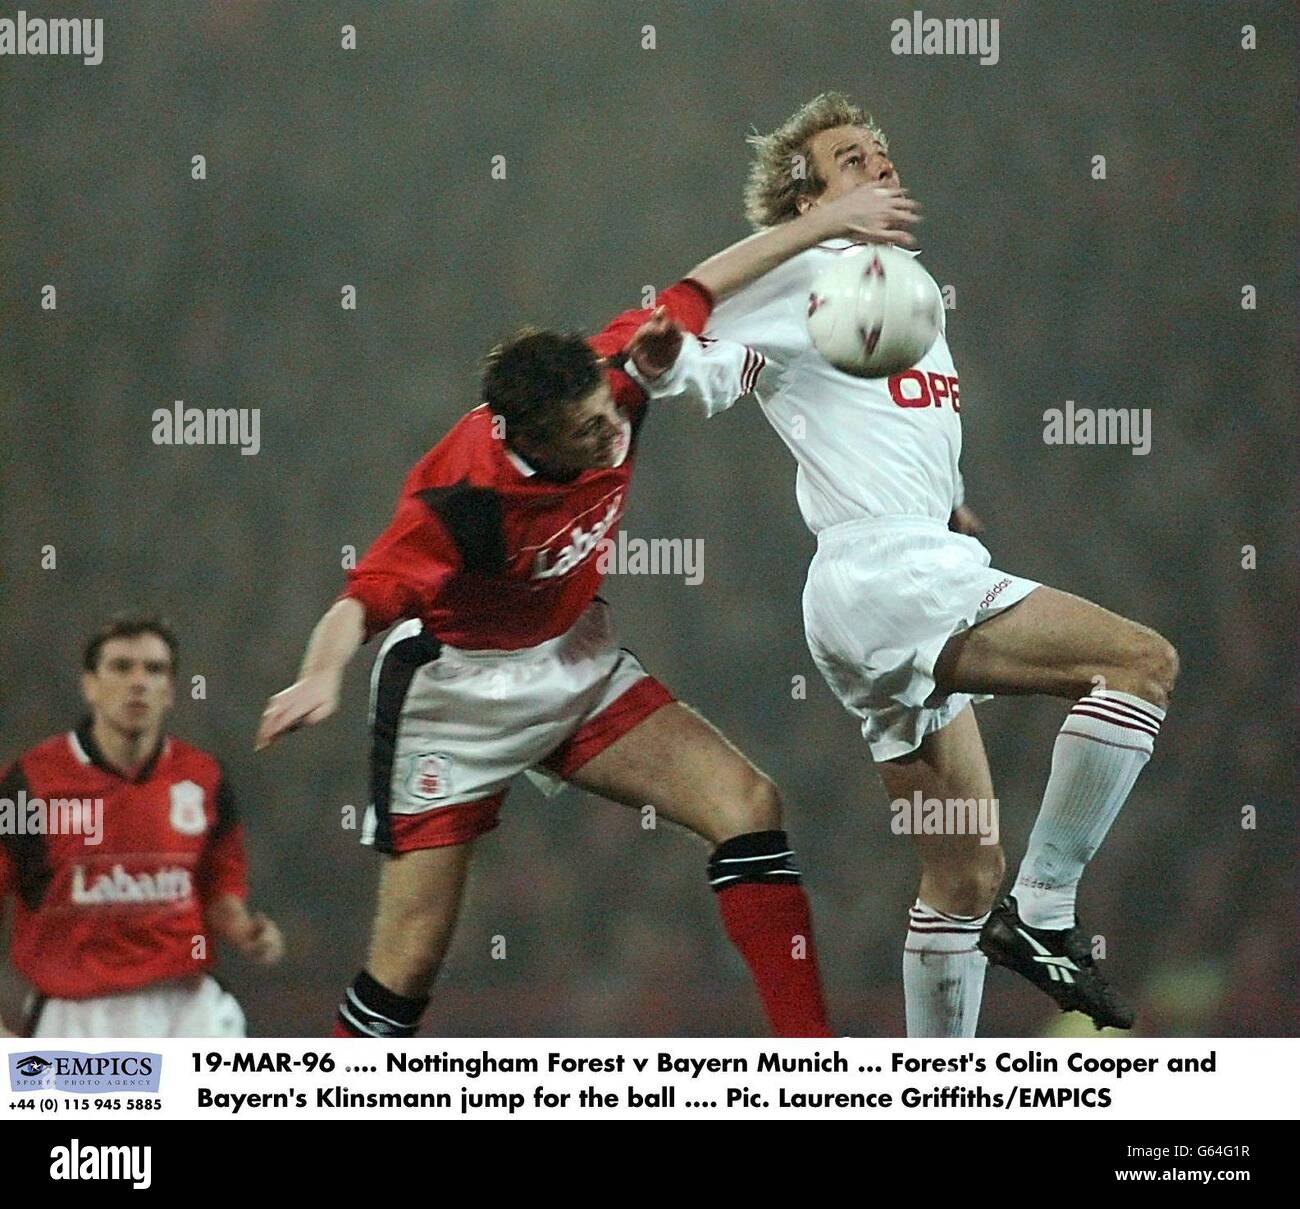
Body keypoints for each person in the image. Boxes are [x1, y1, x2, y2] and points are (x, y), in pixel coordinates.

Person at [254, 183, 919, 1038]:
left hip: (576, 662)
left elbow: (703, 284)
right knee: (408, 966)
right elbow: (361, 602)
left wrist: (824, 221)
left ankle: (813, 1067)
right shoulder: (458, 497)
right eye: (587, 432)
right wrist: (318, 675)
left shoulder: (614, 372)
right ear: (525, 439)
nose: (613, 433)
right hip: (456, 700)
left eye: (610, 413)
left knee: (748, 802)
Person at [633, 92, 1178, 1034]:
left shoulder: (898, 287)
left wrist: (951, 503)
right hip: (887, 573)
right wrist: (663, 362)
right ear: (808, 200)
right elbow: (713, 363)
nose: (879, 165)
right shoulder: (812, 266)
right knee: (1139, 662)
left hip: (879, 586)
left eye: (881, 151)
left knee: (961, 872)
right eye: (852, 159)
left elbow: (890, 423)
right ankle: (1048, 910)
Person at [0, 615, 283, 1037]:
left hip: (189, 1007)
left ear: (169, 690)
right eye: (121, 667)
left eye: (154, 670)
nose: (139, 682)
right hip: (78, 1017)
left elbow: (217, 888)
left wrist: (246, 931)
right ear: (90, 685)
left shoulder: (204, 777)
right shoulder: (29, 783)